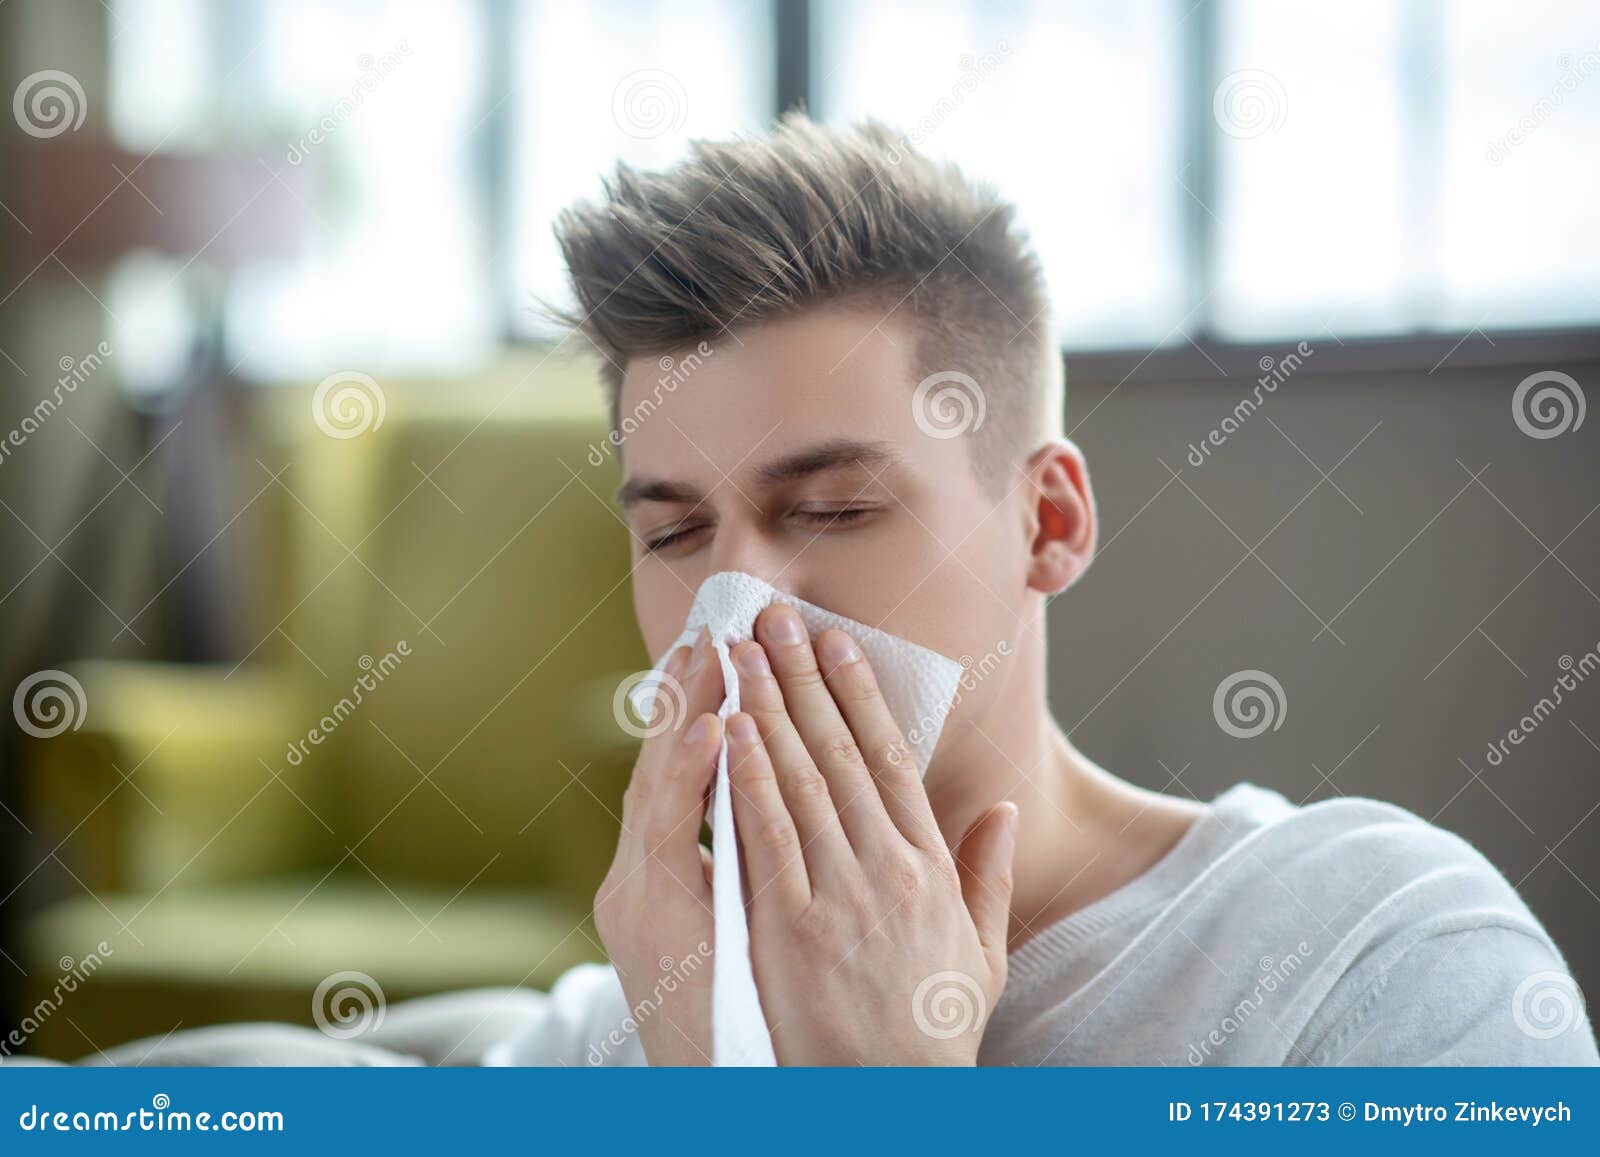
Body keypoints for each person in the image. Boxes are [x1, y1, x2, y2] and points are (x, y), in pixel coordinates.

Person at [40, 114, 1596, 1069]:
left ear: (1048, 519)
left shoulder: (1365, 951)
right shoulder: (640, 1019)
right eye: (673, 531)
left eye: (833, 507)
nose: (739, 604)